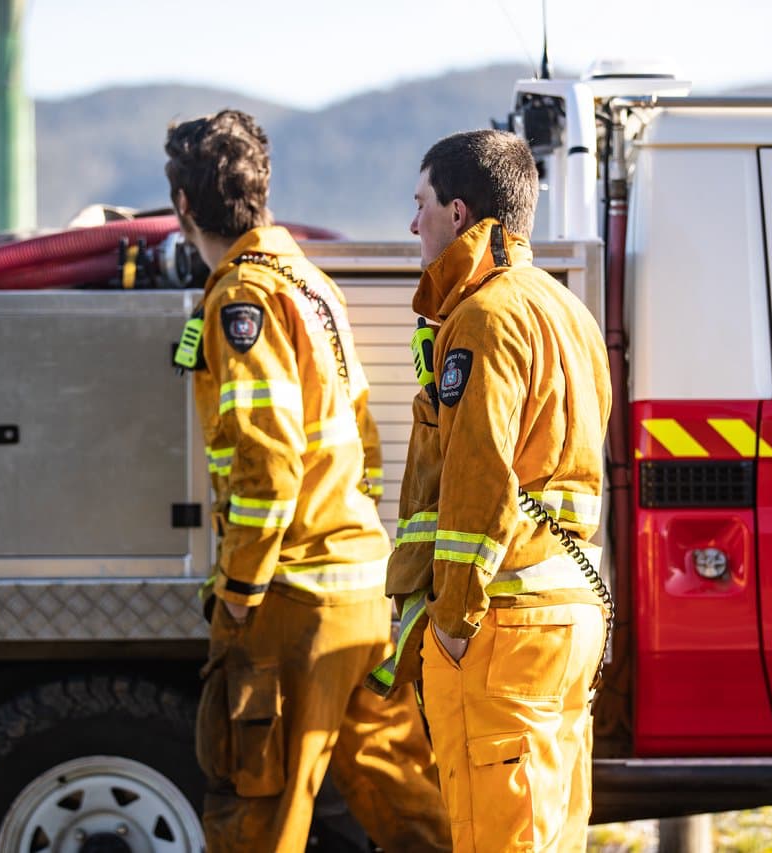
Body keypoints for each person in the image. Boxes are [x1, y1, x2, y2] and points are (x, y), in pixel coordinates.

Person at [165, 109, 450, 853]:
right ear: (260, 191)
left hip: (291, 599)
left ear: (185, 206)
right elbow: (363, 438)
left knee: (258, 815)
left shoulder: (241, 298)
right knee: (410, 807)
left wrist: (239, 591)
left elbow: (267, 460)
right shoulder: (314, 286)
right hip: (360, 592)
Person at [377, 128, 611, 852]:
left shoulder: (483, 317)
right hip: (566, 614)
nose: (413, 224)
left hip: (500, 623)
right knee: (551, 829)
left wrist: (449, 623)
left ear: (457, 210)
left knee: (497, 835)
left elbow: (479, 480)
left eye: (420, 205)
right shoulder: (567, 310)